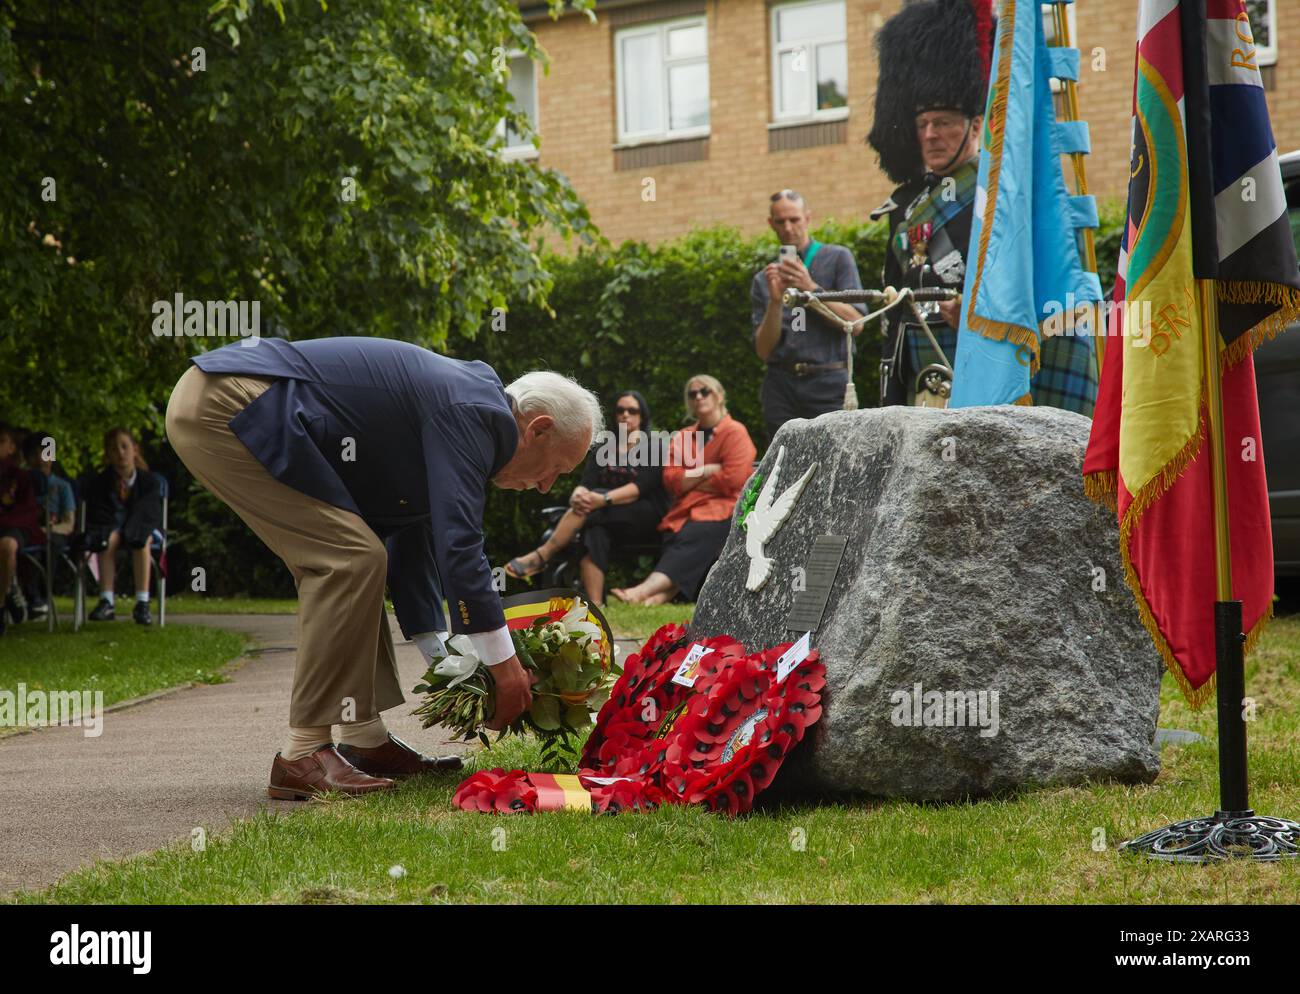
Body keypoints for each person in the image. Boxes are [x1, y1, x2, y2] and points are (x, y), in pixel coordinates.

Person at [165, 336, 601, 800]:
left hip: (225, 398)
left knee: (360, 553)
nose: (544, 487)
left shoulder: (468, 405)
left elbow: (407, 532)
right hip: (228, 401)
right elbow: (459, 545)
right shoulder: (474, 410)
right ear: (538, 428)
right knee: (347, 560)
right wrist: (504, 666)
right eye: (556, 468)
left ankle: (364, 737)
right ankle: (302, 752)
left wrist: (447, 656)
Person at [866, 0, 992, 407]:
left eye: (944, 122)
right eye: (923, 124)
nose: (931, 134)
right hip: (917, 376)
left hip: (976, 367)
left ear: (974, 125)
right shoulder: (906, 204)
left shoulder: (995, 194)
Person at [505, 390, 667, 605]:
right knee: (594, 532)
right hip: (600, 514)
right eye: (620, 410)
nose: (625, 415)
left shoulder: (654, 446)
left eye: (632, 410)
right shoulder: (603, 446)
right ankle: (596, 605)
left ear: (642, 415)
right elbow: (586, 484)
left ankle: (543, 554)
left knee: (594, 503)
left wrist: (603, 499)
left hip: (643, 515)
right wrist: (578, 496)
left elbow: (640, 488)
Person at [612, 375, 756, 605]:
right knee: (683, 535)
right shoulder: (684, 436)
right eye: (692, 394)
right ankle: (659, 597)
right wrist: (707, 470)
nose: (698, 397)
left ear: (719, 395)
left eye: (704, 391)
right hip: (684, 512)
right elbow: (671, 480)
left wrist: (691, 480)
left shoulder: (735, 432)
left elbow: (734, 479)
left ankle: (641, 592)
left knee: (696, 534)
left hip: (724, 510)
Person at [752, 190, 867, 439]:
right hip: (781, 384)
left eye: (794, 219)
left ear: (807, 218)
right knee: (782, 463)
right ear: (770, 224)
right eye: (780, 222)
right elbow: (763, 350)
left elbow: (856, 322)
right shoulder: (765, 278)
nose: (788, 228)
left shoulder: (837, 258)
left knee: (833, 460)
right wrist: (775, 301)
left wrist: (811, 288)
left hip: (828, 380)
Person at [84, 428, 163, 626]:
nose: (120, 453)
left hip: (141, 528)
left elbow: (149, 513)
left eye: (124, 446)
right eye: (114, 449)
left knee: (141, 541)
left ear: (135, 449)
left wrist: (132, 531)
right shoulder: (100, 482)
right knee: (107, 542)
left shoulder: (149, 482)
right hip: (112, 528)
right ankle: (106, 600)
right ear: (108, 454)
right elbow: (99, 513)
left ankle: (142, 603)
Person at [22, 431, 76, 618]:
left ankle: (42, 597)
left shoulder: (62, 486)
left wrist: (47, 530)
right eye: (35, 454)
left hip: (53, 535)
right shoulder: (20, 484)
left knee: (49, 545)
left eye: (46, 452)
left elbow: (69, 524)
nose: (41, 459)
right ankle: (28, 597)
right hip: (26, 534)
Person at [0, 425, 42, 634]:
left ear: (11, 448)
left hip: (16, 527)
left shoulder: (23, 477)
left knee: (7, 545)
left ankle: (5, 598)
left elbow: (28, 512)